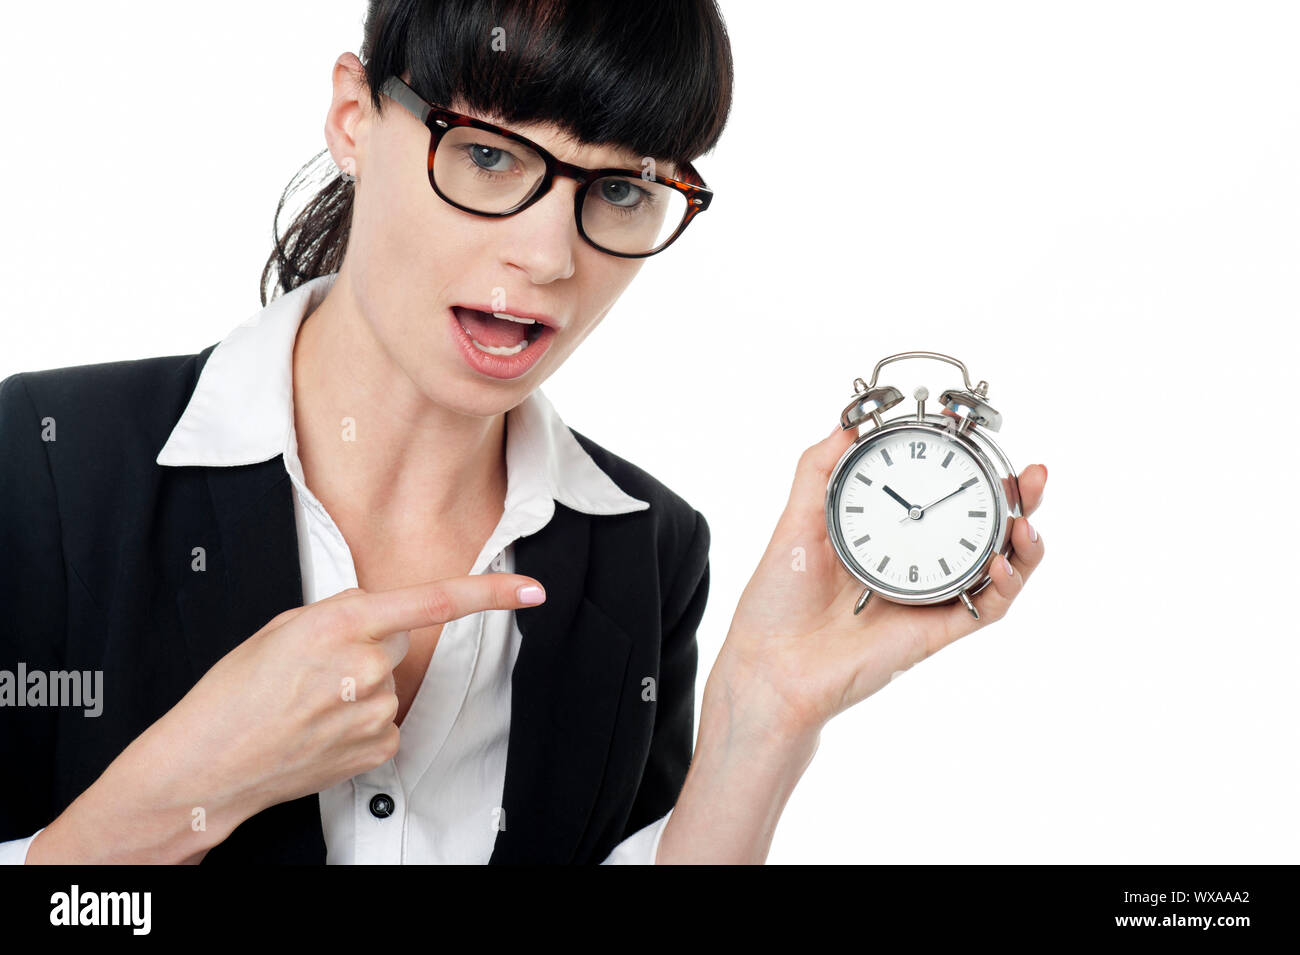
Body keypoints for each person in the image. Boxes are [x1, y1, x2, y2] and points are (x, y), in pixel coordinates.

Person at [0, 0, 1047, 865]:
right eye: (493, 158)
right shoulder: (44, 464)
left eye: (622, 188)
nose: (548, 255)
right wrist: (183, 789)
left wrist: (761, 719)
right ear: (355, 116)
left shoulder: (647, 551)